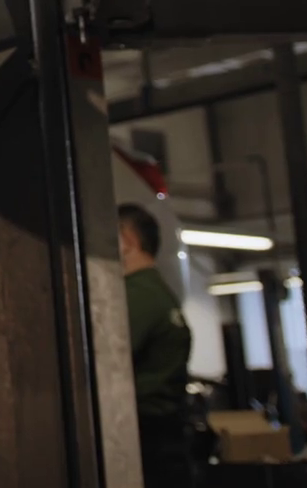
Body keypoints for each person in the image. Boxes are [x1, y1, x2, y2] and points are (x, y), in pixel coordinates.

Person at [120, 203, 193, 487]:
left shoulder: (137, 296)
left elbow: (106, 359)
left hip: (146, 440)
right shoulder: (160, 293)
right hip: (166, 437)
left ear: (128, 241)